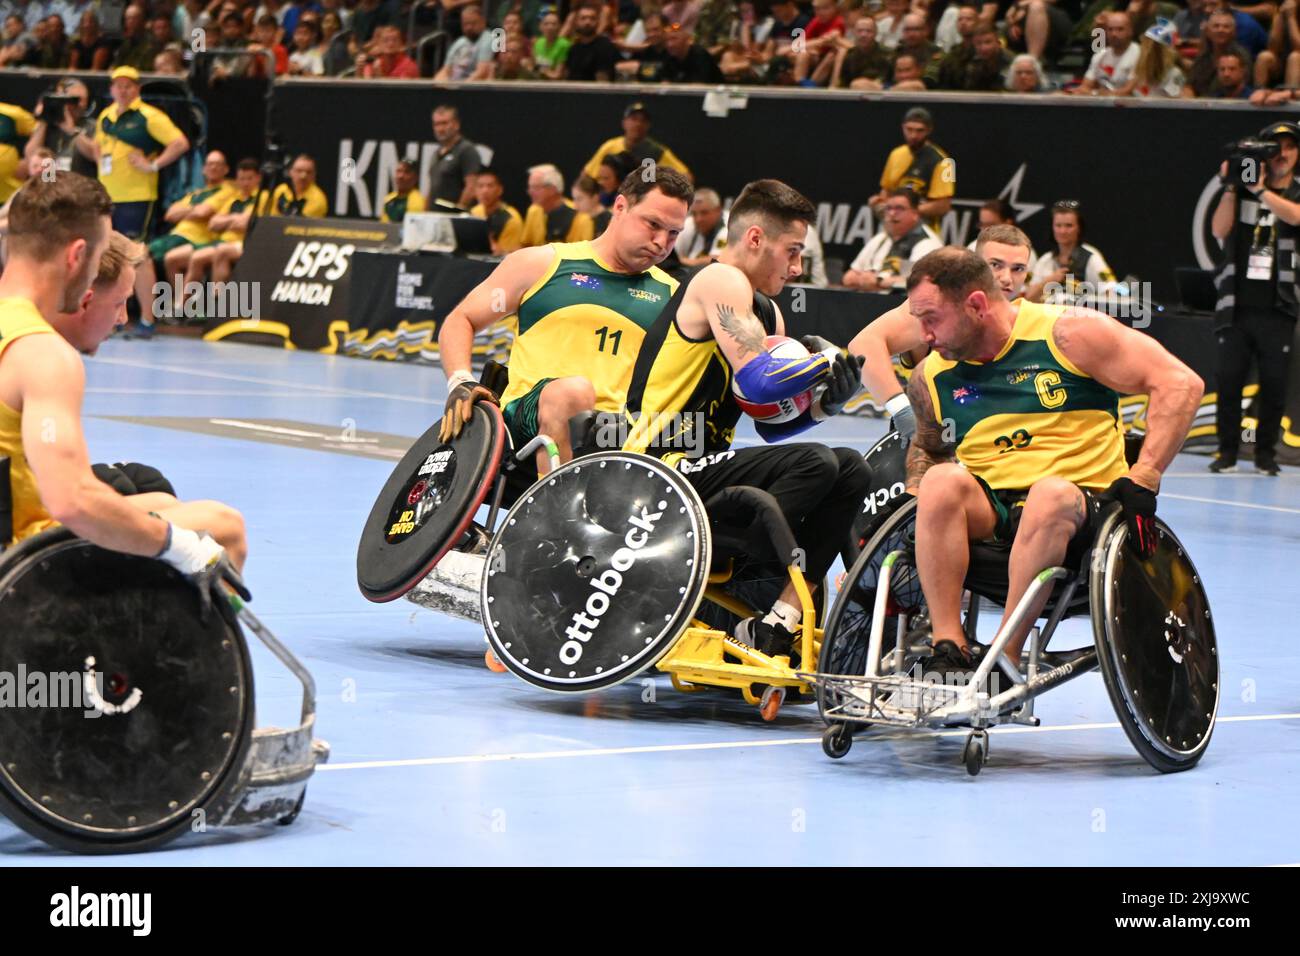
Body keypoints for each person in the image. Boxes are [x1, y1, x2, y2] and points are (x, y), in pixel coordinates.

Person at [902, 247, 1203, 674]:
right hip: (995, 510)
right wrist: (914, 489)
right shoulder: (931, 374)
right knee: (940, 482)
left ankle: (1004, 656)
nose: (924, 335)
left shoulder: (1068, 334)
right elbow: (928, 447)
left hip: (1083, 510)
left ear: (976, 305)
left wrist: (1146, 476)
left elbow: (1180, 383)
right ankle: (949, 647)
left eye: (931, 318)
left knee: (1048, 494)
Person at [620, 178, 869, 659]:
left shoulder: (768, 314)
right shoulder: (719, 280)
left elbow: (771, 423)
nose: (797, 268)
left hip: (704, 467)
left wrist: (824, 405)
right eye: (792, 252)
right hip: (653, 467)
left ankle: (779, 619)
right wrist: (828, 361)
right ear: (755, 238)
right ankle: (758, 561)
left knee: (850, 467)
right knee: (816, 464)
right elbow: (757, 380)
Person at [0, 173, 248, 616]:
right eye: (97, 259)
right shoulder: (42, 354)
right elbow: (71, 500)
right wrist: (179, 546)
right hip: (24, 564)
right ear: (78, 255)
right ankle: (171, 679)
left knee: (152, 495)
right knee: (222, 528)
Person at [436, 166, 692, 474]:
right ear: (621, 207)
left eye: (674, 233)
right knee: (573, 393)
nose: (662, 242)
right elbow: (461, 319)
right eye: (653, 224)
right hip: (526, 423)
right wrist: (460, 382)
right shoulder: (542, 264)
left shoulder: (675, 297)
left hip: (617, 434)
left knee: (691, 431)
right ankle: (554, 511)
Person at [850, 223, 1035, 440]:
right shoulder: (936, 308)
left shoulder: (1033, 319)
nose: (1006, 278)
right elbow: (863, 344)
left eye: (1018, 269)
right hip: (934, 441)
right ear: (975, 264)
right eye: (996, 265)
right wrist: (901, 410)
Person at [1208, 121, 1300, 475]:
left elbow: (1294, 216)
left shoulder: (1294, 193)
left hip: (1280, 306)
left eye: (1290, 147)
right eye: (1275, 148)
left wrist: (1260, 191)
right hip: (1238, 305)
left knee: (1275, 383)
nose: (1282, 154)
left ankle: (1265, 455)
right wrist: (1232, 187)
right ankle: (1227, 451)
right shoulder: (1242, 191)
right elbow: (1218, 229)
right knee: (1228, 378)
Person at [147, 150, 234, 314]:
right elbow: (170, 214)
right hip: (176, 235)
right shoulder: (195, 194)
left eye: (218, 164)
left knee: (143, 254)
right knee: (167, 259)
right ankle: (184, 306)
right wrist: (193, 210)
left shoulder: (227, 190)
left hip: (197, 238)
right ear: (203, 169)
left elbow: (203, 213)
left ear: (226, 169)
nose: (213, 167)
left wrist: (187, 211)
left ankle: (154, 311)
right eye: (209, 164)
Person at [186, 158, 270, 288]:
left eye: (249, 178)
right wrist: (235, 219)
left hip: (243, 244)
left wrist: (227, 221)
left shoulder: (263, 197)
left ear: (258, 178)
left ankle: (217, 300)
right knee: (190, 257)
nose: (245, 183)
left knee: (221, 251)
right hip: (222, 241)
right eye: (242, 179)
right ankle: (184, 305)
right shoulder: (234, 199)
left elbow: (246, 223)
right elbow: (213, 224)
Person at [843, 188, 942, 292]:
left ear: (915, 214)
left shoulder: (928, 243)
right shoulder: (880, 239)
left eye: (899, 208)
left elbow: (919, 283)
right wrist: (866, 280)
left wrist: (878, 281)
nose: (892, 213)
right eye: (888, 208)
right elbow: (848, 277)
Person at [871, 107, 955, 229]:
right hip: (893, 228)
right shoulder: (896, 154)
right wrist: (880, 203)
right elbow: (887, 190)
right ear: (902, 127)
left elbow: (943, 206)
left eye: (919, 130)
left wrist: (906, 211)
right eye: (909, 129)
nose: (913, 135)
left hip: (924, 229)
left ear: (929, 130)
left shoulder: (945, 162)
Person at [1025, 200, 1116, 303]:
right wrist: (1048, 281)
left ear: (1079, 228)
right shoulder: (1046, 260)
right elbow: (1029, 298)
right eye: (1058, 225)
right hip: (1050, 317)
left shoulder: (1091, 257)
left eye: (1069, 226)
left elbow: (1112, 290)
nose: (1062, 231)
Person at [582, 102, 691, 183]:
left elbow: (686, 177)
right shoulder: (610, 147)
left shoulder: (656, 151)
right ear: (624, 122)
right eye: (634, 119)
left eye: (643, 120)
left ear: (648, 125)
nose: (638, 124)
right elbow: (587, 175)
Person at [519, 163, 596, 247]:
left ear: (552, 189)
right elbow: (525, 246)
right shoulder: (533, 211)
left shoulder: (580, 217)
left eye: (536, 187)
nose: (530, 192)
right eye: (530, 187)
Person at [428, 105, 483, 209]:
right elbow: (432, 188)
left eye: (444, 123)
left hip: (453, 219)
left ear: (456, 124)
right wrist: (425, 214)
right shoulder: (435, 153)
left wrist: (458, 212)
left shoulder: (466, 150)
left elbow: (471, 186)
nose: (440, 128)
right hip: (434, 217)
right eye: (436, 124)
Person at [470, 168, 524, 255]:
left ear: (500, 190)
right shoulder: (474, 212)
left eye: (490, 186)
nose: (485, 191)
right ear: (475, 191)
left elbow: (508, 255)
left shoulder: (511, 219)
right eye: (480, 186)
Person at [379, 158, 426, 223]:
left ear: (415, 177)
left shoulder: (418, 201)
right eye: (399, 171)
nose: (401, 176)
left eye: (407, 172)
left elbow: (412, 229)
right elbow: (383, 226)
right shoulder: (388, 199)